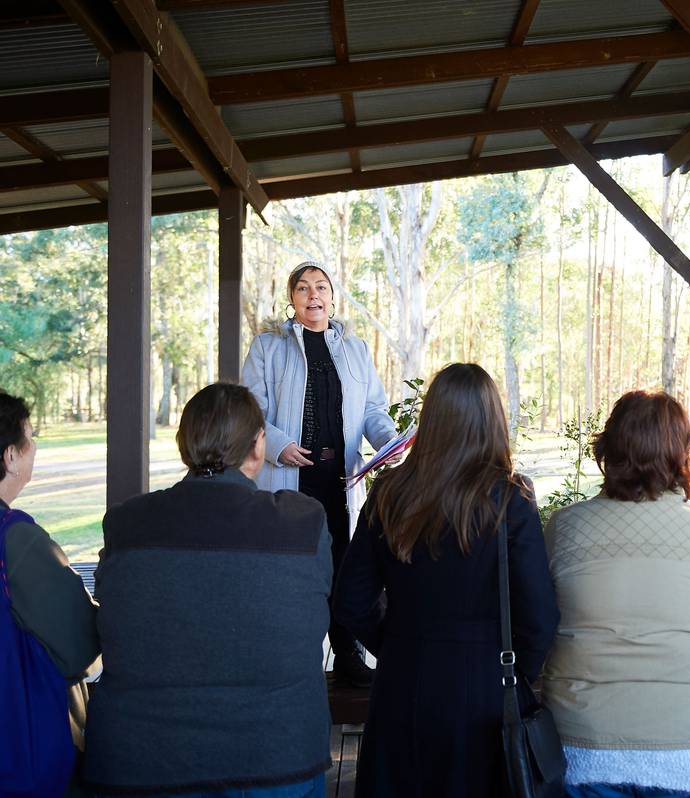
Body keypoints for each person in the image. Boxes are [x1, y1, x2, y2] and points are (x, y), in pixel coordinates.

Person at [82, 384, 331, 797]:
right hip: (277, 756)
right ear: (256, 449)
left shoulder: (127, 522)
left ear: (185, 446)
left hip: (141, 760)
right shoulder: (301, 521)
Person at [334, 363, 558, 798]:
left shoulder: (389, 492)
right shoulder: (511, 498)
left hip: (402, 682)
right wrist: (514, 674)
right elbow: (540, 618)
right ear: (493, 419)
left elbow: (351, 601)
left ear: (431, 420)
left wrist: (399, 643)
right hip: (487, 691)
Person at [543, 390, 690, 798]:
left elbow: (541, 620)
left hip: (586, 742)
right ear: (681, 452)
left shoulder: (566, 527)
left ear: (609, 447)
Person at [242, 260, 397, 687]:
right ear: (291, 299)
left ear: (332, 296)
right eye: (304, 288)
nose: (314, 295)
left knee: (342, 566)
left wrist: (388, 442)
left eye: (322, 287)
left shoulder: (355, 349)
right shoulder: (267, 347)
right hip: (288, 480)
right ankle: (294, 660)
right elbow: (250, 411)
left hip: (340, 480)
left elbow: (372, 410)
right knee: (292, 569)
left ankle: (346, 653)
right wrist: (278, 446)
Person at [0, 392, 99, 796]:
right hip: (17, 755)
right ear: (9, 456)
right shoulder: (17, 541)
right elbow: (79, 645)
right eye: (31, 435)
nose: (35, 446)